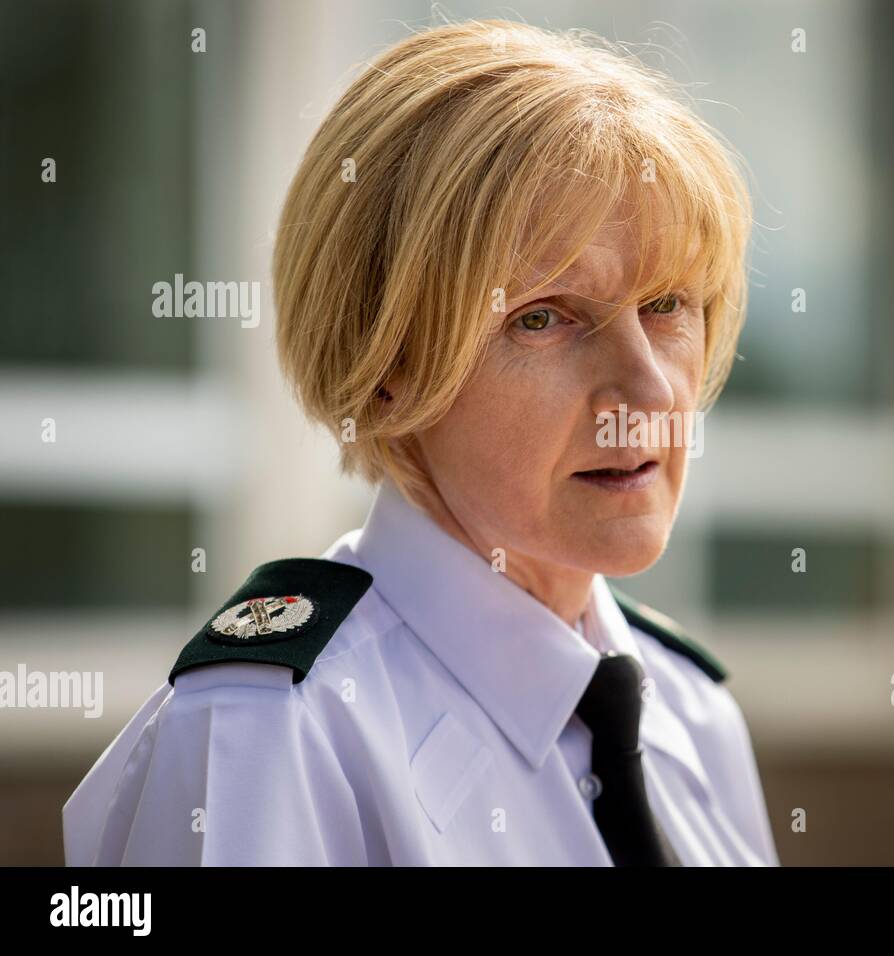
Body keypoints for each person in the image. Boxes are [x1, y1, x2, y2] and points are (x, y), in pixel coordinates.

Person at [62, 17, 777, 866]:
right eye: (543, 318)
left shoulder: (692, 714)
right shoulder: (271, 734)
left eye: (667, 306)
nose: (651, 391)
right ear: (388, 361)